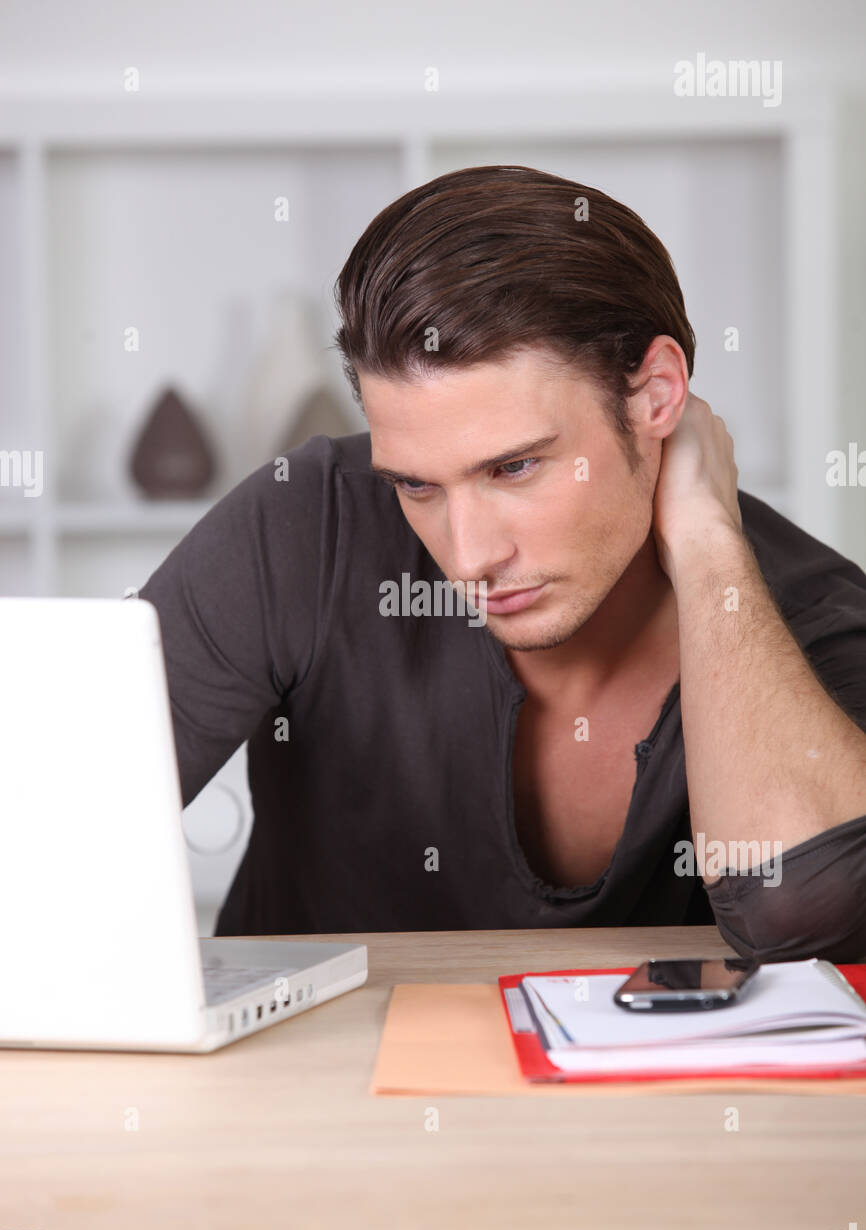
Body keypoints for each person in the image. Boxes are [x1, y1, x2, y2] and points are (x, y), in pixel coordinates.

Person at [138, 165, 866, 961]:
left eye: (514, 468)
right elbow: (47, 823)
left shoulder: (809, 616)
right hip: (299, 1082)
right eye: (417, 484)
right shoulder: (307, 525)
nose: (469, 556)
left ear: (656, 395)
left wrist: (707, 545)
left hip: (649, 1094)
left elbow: (808, 919)